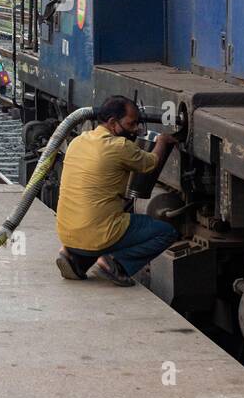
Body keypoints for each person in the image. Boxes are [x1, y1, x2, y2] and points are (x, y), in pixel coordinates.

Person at [55, 96, 180, 286]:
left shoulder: (78, 141)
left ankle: (75, 259)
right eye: (131, 124)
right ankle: (116, 263)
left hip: (67, 232)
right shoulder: (119, 146)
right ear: (113, 123)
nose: (136, 129)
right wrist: (162, 141)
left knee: (95, 224)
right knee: (166, 232)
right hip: (99, 233)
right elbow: (151, 163)